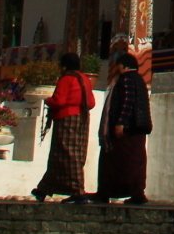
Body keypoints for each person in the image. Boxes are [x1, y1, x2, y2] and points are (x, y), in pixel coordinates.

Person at [32, 51, 97, 203]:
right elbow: (92, 103)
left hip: (66, 119)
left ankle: (78, 191)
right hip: (82, 119)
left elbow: (59, 100)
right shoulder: (85, 79)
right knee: (67, 153)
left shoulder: (66, 79)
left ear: (64, 66)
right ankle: (44, 188)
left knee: (68, 153)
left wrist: (48, 101)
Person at [96, 51, 151, 205]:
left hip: (127, 130)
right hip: (138, 128)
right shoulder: (139, 80)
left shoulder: (126, 79)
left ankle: (108, 191)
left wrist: (121, 122)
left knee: (118, 161)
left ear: (123, 65)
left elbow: (127, 101)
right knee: (136, 161)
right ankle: (136, 192)